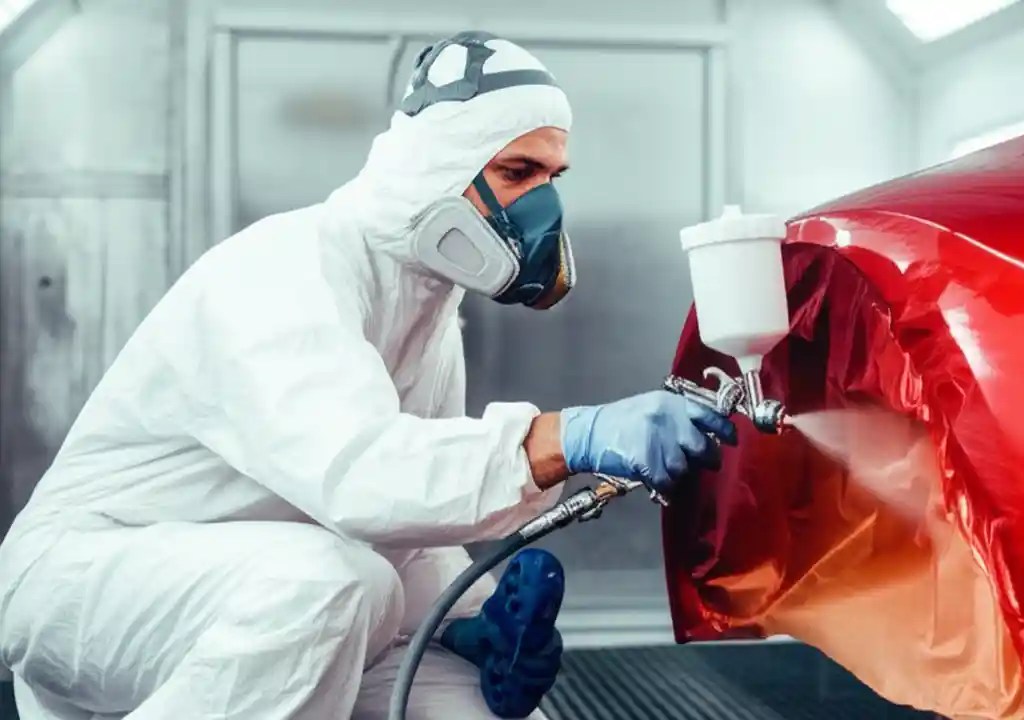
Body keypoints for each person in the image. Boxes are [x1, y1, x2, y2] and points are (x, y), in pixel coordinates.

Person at [0, 32, 734, 720]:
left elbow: (405, 536)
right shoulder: (285, 267)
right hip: (87, 584)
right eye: (518, 173)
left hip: (274, 606)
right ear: (441, 168)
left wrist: (470, 624)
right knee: (331, 585)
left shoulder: (428, 308)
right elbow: (358, 476)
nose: (542, 203)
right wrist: (567, 437)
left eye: (552, 176)